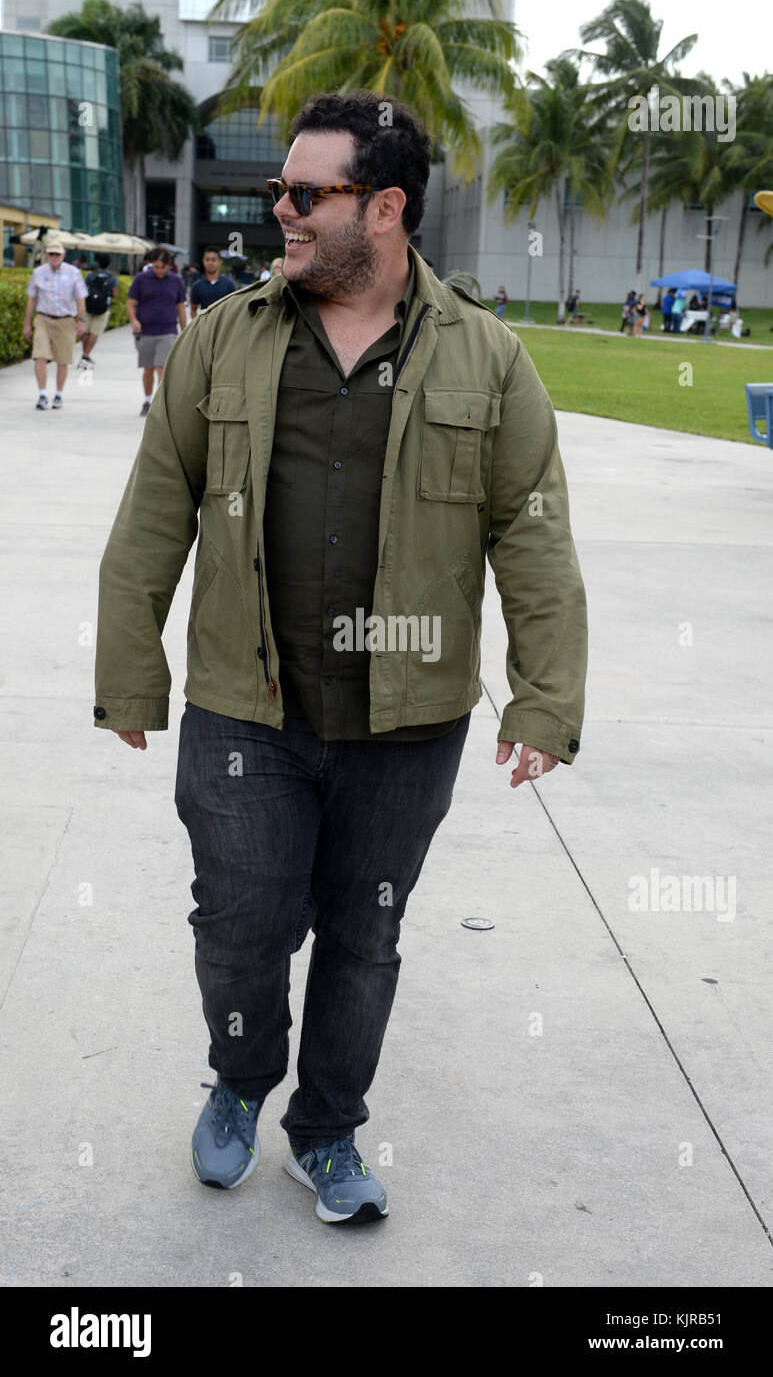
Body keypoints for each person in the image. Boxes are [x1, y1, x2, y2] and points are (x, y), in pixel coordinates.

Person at [93, 90, 587, 1224]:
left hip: (406, 723)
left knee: (363, 935)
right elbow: (153, 510)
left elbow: (533, 532)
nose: (283, 213)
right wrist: (131, 671)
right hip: (242, 705)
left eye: (305, 194)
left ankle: (326, 1130)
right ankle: (237, 1079)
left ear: (385, 205)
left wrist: (542, 697)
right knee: (238, 924)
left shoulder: (488, 356)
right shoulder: (227, 333)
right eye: (280, 192)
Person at [22, 238, 87, 410]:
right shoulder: (38, 272)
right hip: (43, 319)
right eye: (51, 253)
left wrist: (81, 321)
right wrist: (27, 324)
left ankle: (59, 395)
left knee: (63, 359)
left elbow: (80, 299)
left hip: (66, 320)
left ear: (63, 254)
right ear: (46, 255)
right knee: (40, 355)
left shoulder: (74, 273)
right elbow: (32, 299)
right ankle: (42, 394)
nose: (54, 256)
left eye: (57, 253)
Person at [127, 246, 186, 416]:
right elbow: (131, 303)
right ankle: (147, 399)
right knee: (148, 368)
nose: (159, 270)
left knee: (162, 367)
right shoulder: (141, 279)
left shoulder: (176, 281)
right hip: (145, 331)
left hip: (168, 331)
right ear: (151, 264)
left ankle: (160, 403)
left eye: (163, 267)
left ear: (169, 265)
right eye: (156, 267)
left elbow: (181, 308)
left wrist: (185, 330)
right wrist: (134, 320)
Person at [79, 254, 119, 368]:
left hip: (89, 305)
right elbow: (115, 294)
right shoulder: (112, 278)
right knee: (94, 333)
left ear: (98, 263)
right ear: (109, 264)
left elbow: (83, 289)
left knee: (86, 332)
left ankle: (84, 354)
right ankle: (86, 355)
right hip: (103, 308)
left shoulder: (90, 275)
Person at [189, 247, 237, 317]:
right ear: (203, 261)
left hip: (224, 326)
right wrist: (198, 326)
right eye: (207, 259)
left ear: (220, 262)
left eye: (213, 259)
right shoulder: (197, 286)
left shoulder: (229, 284)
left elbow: (235, 308)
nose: (210, 262)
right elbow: (193, 310)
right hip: (205, 326)